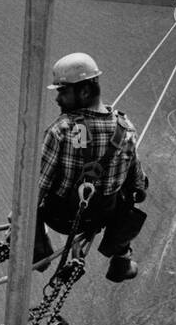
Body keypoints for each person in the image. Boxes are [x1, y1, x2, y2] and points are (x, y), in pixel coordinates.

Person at [34, 53, 148, 282]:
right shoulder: (125, 129)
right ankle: (121, 258)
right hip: (101, 217)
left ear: (84, 91)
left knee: (28, 202)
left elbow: (39, 189)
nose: (57, 99)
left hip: (61, 218)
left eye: (63, 92)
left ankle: (39, 252)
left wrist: (17, 223)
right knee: (129, 193)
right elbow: (138, 181)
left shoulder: (61, 130)